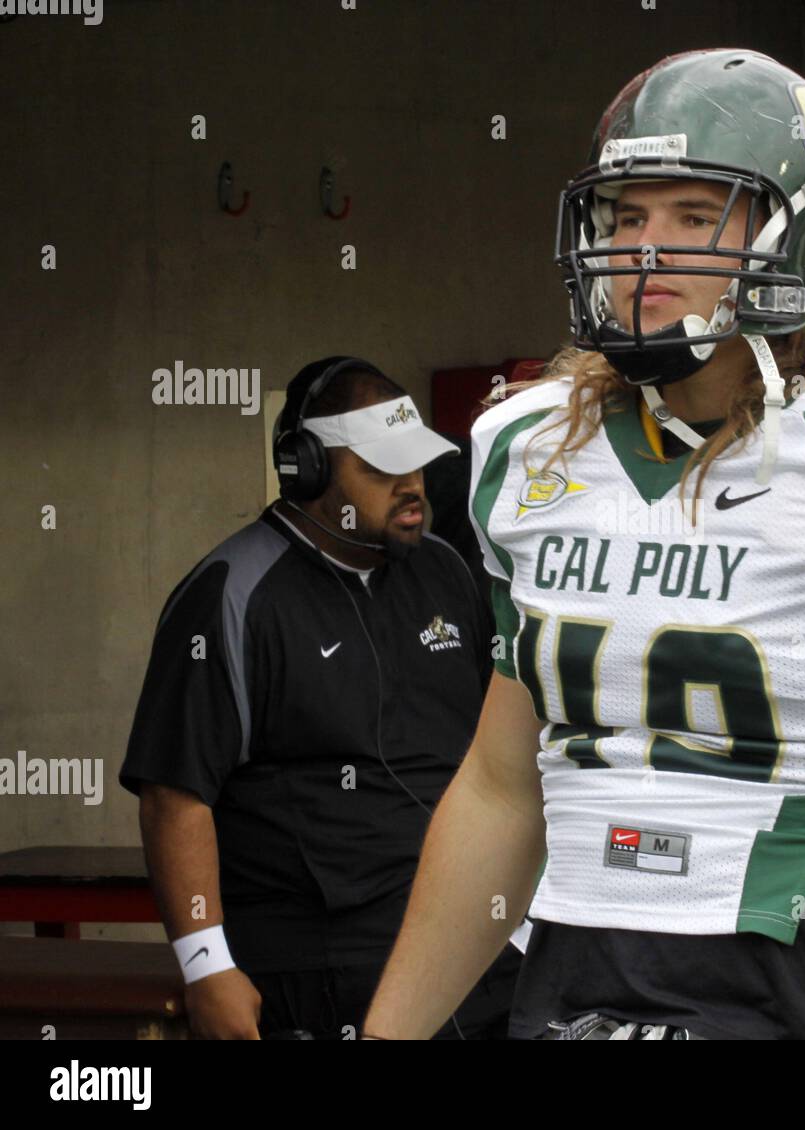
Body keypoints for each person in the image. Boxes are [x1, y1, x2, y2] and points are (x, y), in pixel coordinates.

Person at [365, 49, 805, 1040]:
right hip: (575, 962)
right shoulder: (529, 451)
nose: (642, 250)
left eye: (693, 215)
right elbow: (499, 789)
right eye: (625, 215)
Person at [120, 356, 520, 1040]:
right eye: (383, 470)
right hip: (322, 963)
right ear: (308, 469)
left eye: (417, 465)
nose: (412, 487)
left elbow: (499, 756)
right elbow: (174, 797)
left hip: (472, 936)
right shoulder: (233, 594)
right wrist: (207, 967)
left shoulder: (446, 571)